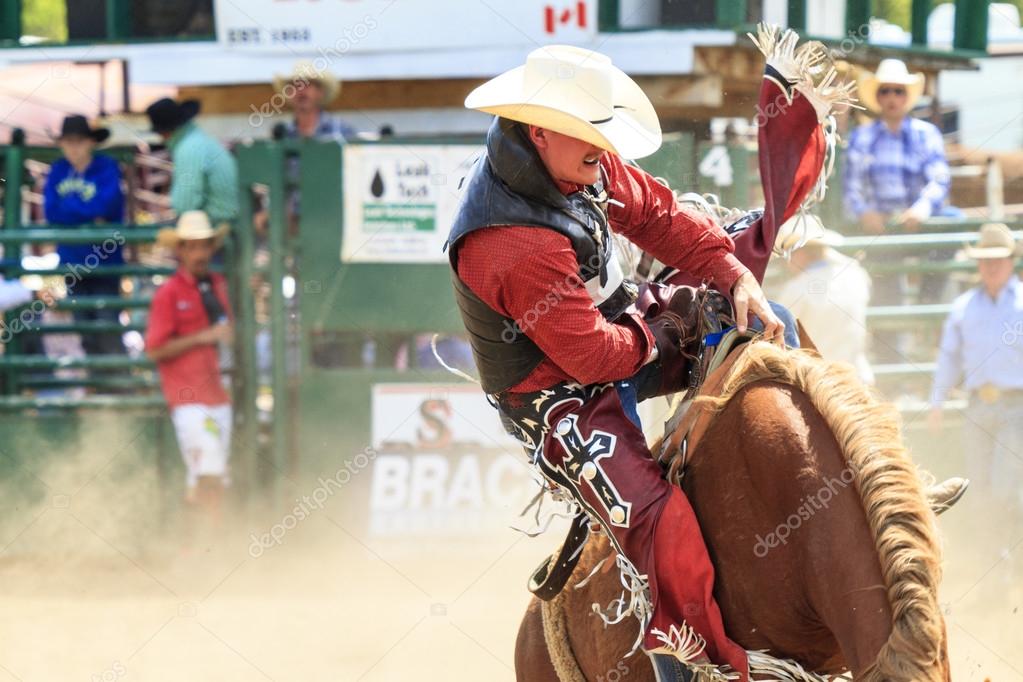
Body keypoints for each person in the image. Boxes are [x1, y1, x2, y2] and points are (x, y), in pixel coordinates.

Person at [444, 33, 861, 678]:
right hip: (556, 396)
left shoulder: (580, 162)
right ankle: (709, 662)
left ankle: (848, 476)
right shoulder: (510, 241)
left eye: (599, 127)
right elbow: (593, 360)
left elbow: (662, 220)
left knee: (764, 320)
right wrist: (658, 326)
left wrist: (732, 275)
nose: (602, 144)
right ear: (537, 132)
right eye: (584, 128)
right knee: (653, 520)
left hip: (615, 329)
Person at [844, 59, 955, 360]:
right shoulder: (862, 137)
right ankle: (893, 361)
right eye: (886, 91)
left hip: (918, 223)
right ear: (878, 97)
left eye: (898, 91)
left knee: (953, 225)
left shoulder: (926, 134)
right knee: (886, 294)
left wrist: (921, 210)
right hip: (883, 228)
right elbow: (851, 187)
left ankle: (928, 304)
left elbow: (939, 177)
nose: (892, 97)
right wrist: (864, 212)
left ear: (907, 97)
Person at [145, 211, 233, 517]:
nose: (199, 253)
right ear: (181, 250)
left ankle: (198, 546)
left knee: (211, 473)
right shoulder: (169, 293)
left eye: (204, 246)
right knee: (209, 469)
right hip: (189, 397)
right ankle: (204, 544)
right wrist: (202, 337)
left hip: (218, 396)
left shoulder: (219, 285)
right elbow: (155, 349)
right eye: (192, 247)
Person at [930, 223, 1023, 511]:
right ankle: (994, 548)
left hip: (1016, 404)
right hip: (978, 406)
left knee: (1003, 485)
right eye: (986, 260)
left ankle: (1005, 547)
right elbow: (949, 357)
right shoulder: (963, 307)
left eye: (997, 260)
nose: (991, 266)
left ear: (1010, 262)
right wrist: (937, 403)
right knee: (980, 487)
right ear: (979, 265)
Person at [43, 115, 126, 355]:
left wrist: (69, 209)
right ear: (62, 144)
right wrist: (88, 215)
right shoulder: (59, 170)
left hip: (105, 261)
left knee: (107, 325)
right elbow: (51, 210)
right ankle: (98, 385)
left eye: (79, 141)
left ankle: (119, 384)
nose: (74, 147)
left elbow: (106, 206)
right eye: (68, 141)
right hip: (72, 262)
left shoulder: (106, 167)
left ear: (91, 142)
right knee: (85, 330)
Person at [774, 214, 874, 383]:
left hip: (816, 382)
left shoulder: (797, 288)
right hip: (856, 378)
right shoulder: (857, 276)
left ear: (799, 253)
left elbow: (779, 334)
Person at [145, 98, 239, 226]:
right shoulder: (198, 141)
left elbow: (185, 203)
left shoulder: (188, 148)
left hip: (219, 228)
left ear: (165, 132)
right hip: (228, 223)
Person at [273, 60, 357, 141]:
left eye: (307, 85)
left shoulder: (341, 130)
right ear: (289, 93)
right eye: (296, 85)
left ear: (320, 92)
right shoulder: (282, 134)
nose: (301, 91)